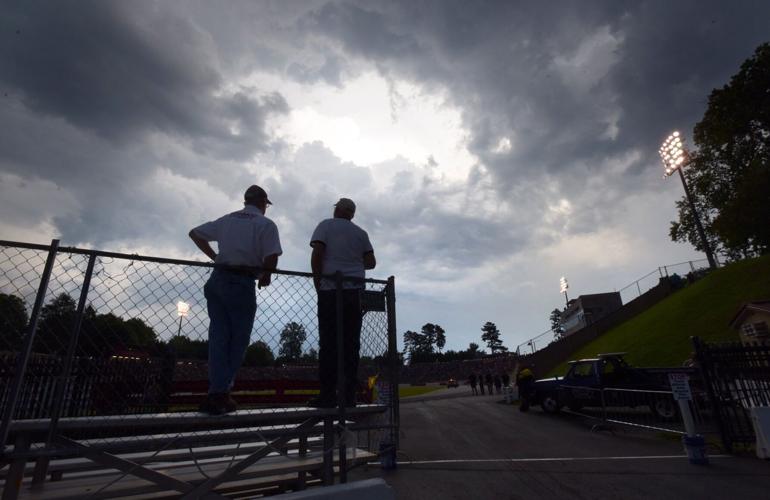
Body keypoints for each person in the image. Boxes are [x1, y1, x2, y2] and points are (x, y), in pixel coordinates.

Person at [189, 185, 282, 415]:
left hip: (218, 279)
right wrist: (266, 275)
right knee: (238, 340)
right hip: (242, 281)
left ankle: (216, 391)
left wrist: (216, 257)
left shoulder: (227, 219)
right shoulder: (265, 224)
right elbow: (271, 255)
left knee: (219, 337)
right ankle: (221, 393)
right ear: (263, 204)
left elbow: (195, 233)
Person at [310, 198, 376, 407]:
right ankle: (348, 396)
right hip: (354, 290)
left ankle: (328, 395)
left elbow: (317, 253)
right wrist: (354, 261)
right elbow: (371, 262)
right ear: (352, 214)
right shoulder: (361, 233)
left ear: (337, 210)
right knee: (351, 344)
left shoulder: (325, 226)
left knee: (328, 343)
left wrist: (317, 281)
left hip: (331, 289)